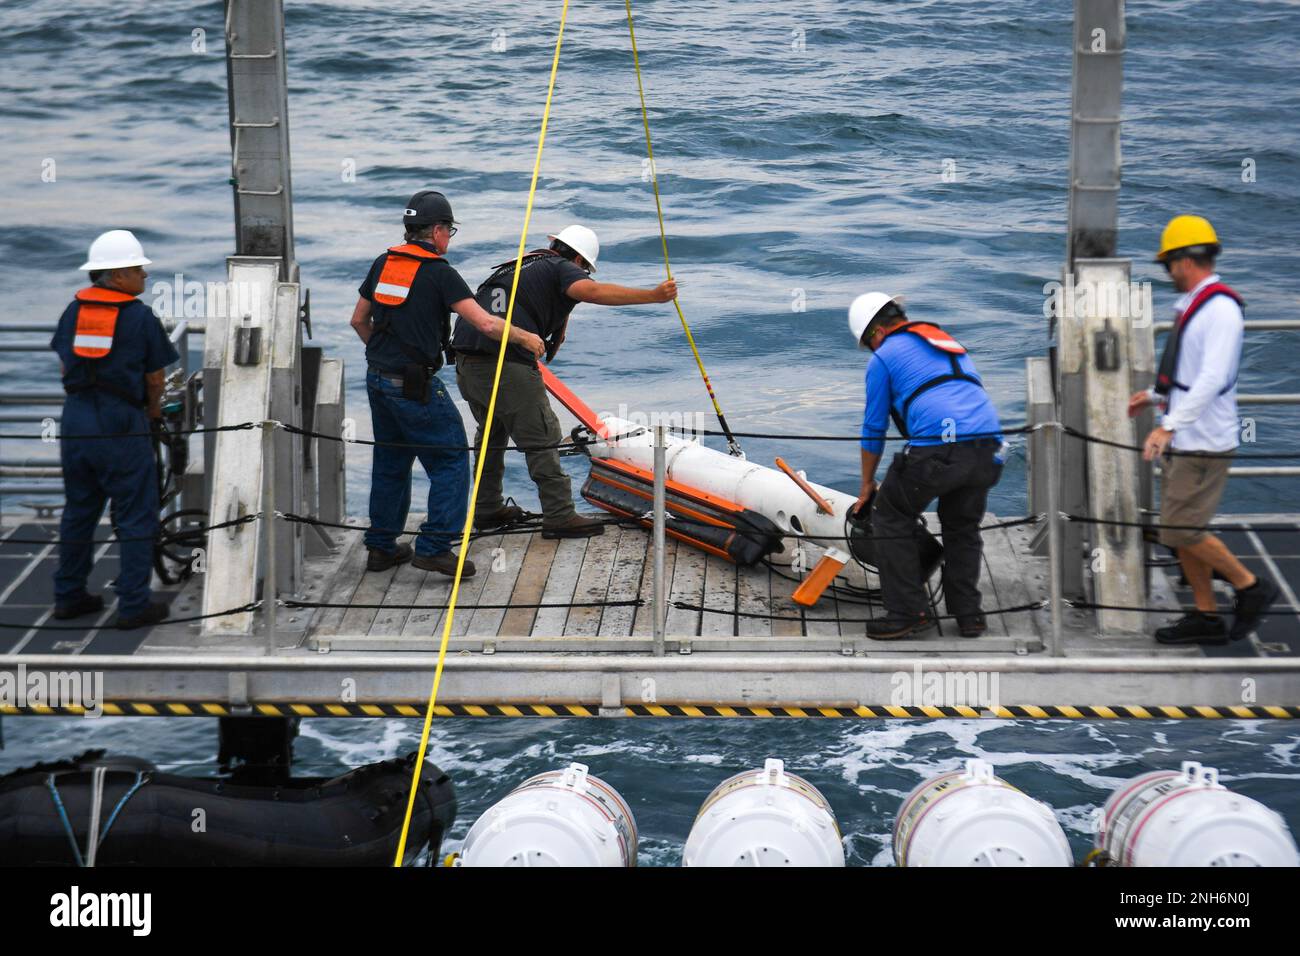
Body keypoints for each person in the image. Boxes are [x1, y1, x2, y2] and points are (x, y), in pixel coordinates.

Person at [349, 190, 545, 574]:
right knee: (452, 460)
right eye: (449, 230)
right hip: (414, 385)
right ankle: (435, 545)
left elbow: (358, 320)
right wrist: (527, 338)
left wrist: (389, 359)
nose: (449, 238)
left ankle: (381, 548)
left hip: (377, 379)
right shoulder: (440, 273)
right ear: (437, 230)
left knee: (391, 462)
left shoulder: (384, 262)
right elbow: (486, 323)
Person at [450, 224, 677, 538]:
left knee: (492, 434)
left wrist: (560, 323)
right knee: (542, 435)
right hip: (505, 366)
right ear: (579, 262)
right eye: (584, 270)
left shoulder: (521, 265)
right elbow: (592, 292)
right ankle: (559, 515)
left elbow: (541, 299)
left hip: (467, 364)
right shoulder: (562, 268)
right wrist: (653, 296)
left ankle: (487, 508)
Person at [1129, 214, 1278, 645]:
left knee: (1180, 531)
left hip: (1203, 441)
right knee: (1183, 526)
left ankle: (1250, 586)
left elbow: (1213, 379)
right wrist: (1154, 398)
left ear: (1183, 260)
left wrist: (1168, 427)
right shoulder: (1196, 304)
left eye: (1167, 264)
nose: (1167, 273)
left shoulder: (1221, 310)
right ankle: (1206, 615)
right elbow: (1188, 374)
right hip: (1187, 437)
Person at [850, 292, 1004, 640]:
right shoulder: (945, 341)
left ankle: (908, 612)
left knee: (889, 515)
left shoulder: (884, 358)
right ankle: (969, 615)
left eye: (868, 344)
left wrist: (866, 485)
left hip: (939, 448)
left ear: (875, 334)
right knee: (962, 527)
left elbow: (874, 427)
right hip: (989, 446)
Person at [51, 230, 178, 629]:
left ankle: (69, 595)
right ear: (119, 273)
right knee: (136, 514)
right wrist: (153, 414)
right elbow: (155, 378)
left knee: (79, 510)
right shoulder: (139, 316)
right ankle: (133, 605)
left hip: (75, 419)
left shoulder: (73, 311)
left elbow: (63, 366)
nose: (144, 275)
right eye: (139, 268)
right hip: (121, 422)